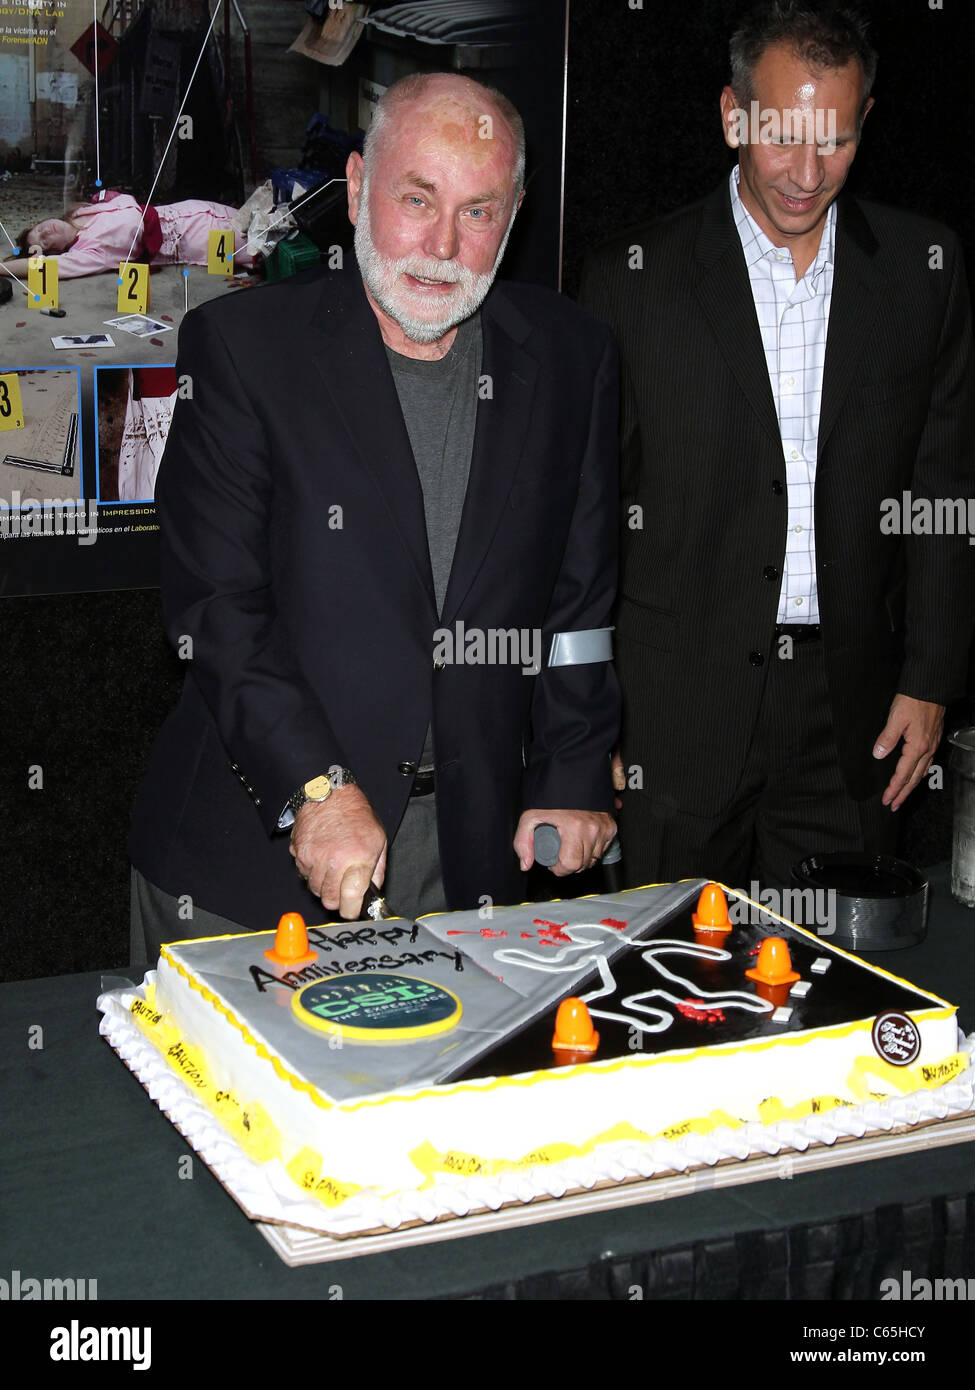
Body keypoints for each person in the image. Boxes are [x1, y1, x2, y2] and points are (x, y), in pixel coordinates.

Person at [128, 73, 619, 959]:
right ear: (355, 187)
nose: (440, 245)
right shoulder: (243, 351)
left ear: (512, 217)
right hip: (255, 856)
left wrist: (575, 763)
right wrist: (314, 790)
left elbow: (579, 605)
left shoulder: (572, 357)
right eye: (415, 198)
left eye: (478, 213)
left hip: (473, 857)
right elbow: (217, 610)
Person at [580, 1, 975, 893]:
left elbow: (945, 489)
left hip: (851, 720)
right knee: (669, 993)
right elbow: (586, 516)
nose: (805, 173)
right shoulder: (627, 279)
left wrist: (930, 679)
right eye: (780, 137)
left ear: (864, 123)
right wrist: (584, 715)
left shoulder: (924, 272)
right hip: (672, 712)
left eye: (833, 140)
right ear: (732, 117)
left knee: (826, 1005)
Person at [10, 191, 255, 277]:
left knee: (258, 214)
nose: (46, 231)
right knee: (262, 241)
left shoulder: (82, 213)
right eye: (45, 240)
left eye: (40, 228)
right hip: (193, 239)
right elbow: (43, 268)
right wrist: (34, 252)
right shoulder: (86, 252)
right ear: (56, 251)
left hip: (191, 209)